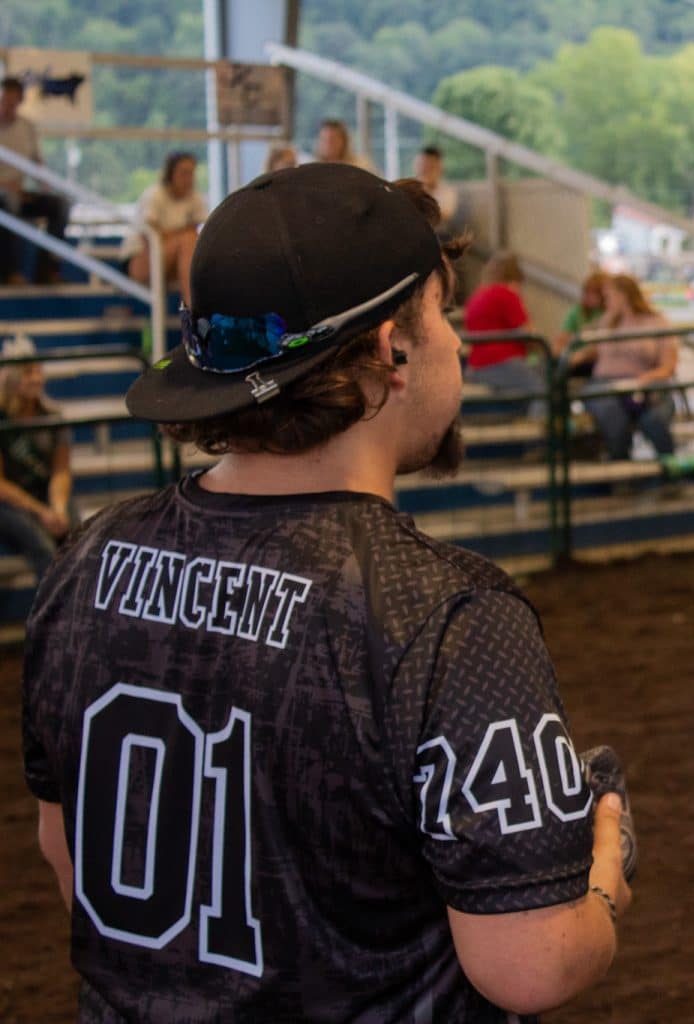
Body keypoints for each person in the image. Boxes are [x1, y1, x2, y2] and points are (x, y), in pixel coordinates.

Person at [21, 163, 631, 1020]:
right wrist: (603, 877)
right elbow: (532, 965)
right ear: (391, 348)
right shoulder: (446, 615)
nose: (455, 339)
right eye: (443, 311)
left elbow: (69, 852)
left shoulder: (87, 557)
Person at [579, 273, 678, 460]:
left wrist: (646, 378)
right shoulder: (607, 322)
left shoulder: (656, 322)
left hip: (643, 383)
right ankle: (620, 468)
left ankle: (670, 471)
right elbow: (591, 350)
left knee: (653, 419)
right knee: (613, 416)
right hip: (605, 384)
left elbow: (668, 366)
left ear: (623, 295)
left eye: (608, 297)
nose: (605, 302)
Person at [0, 335, 73, 578]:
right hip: (9, 503)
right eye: (28, 372)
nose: (36, 379)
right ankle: (51, 613)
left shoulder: (53, 416)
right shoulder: (2, 419)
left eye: (39, 371)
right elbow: (1, 486)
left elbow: (61, 471)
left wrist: (58, 508)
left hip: (44, 495)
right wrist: (42, 512)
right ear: (12, 377)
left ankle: (82, 608)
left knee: (80, 536)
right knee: (42, 546)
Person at [0, 76, 71, 285]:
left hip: (20, 193)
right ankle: (10, 271)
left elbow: (36, 162)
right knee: (6, 201)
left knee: (60, 205)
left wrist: (44, 182)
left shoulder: (26, 128)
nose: (7, 108)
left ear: (20, 102)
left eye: (12, 103)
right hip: (4, 196)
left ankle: (48, 270)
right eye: (4, 102)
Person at [463, 251, 541, 410]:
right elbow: (529, 335)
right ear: (516, 277)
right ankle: (545, 432)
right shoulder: (506, 293)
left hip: (476, 365)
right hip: (499, 362)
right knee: (544, 393)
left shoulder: (478, 295)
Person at [124, 151, 207, 300]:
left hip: (174, 262)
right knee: (188, 238)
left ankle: (196, 308)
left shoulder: (195, 198)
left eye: (191, 173)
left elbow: (200, 232)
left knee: (192, 240)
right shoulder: (155, 195)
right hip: (141, 261)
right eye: (184, 173)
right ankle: (194, 309)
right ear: (170, 173)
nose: (189, 179)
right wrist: (182, 233)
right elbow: (151, 237)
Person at [553, 270, 607, 380]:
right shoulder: (577, 311)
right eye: (587, 292)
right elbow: (562, 339)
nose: (589, 296)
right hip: (574, 360)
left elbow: (600, 347)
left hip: (594, 362)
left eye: (594, 293)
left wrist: (580, 356)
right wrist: (558, 355)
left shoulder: (609, 314)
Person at [414, 144, 460, 229]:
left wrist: (426, 189)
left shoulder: (447, 192)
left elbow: (444, 215)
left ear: (440, 168)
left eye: (430, 166)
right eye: (421, 165)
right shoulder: (409, 188)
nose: (424, 170)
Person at [312, 118, 377, 174]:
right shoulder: (311, 169)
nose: (328, 144)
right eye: (324, 139)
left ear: (344, 141)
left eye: (333, 139)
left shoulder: (362, 165)